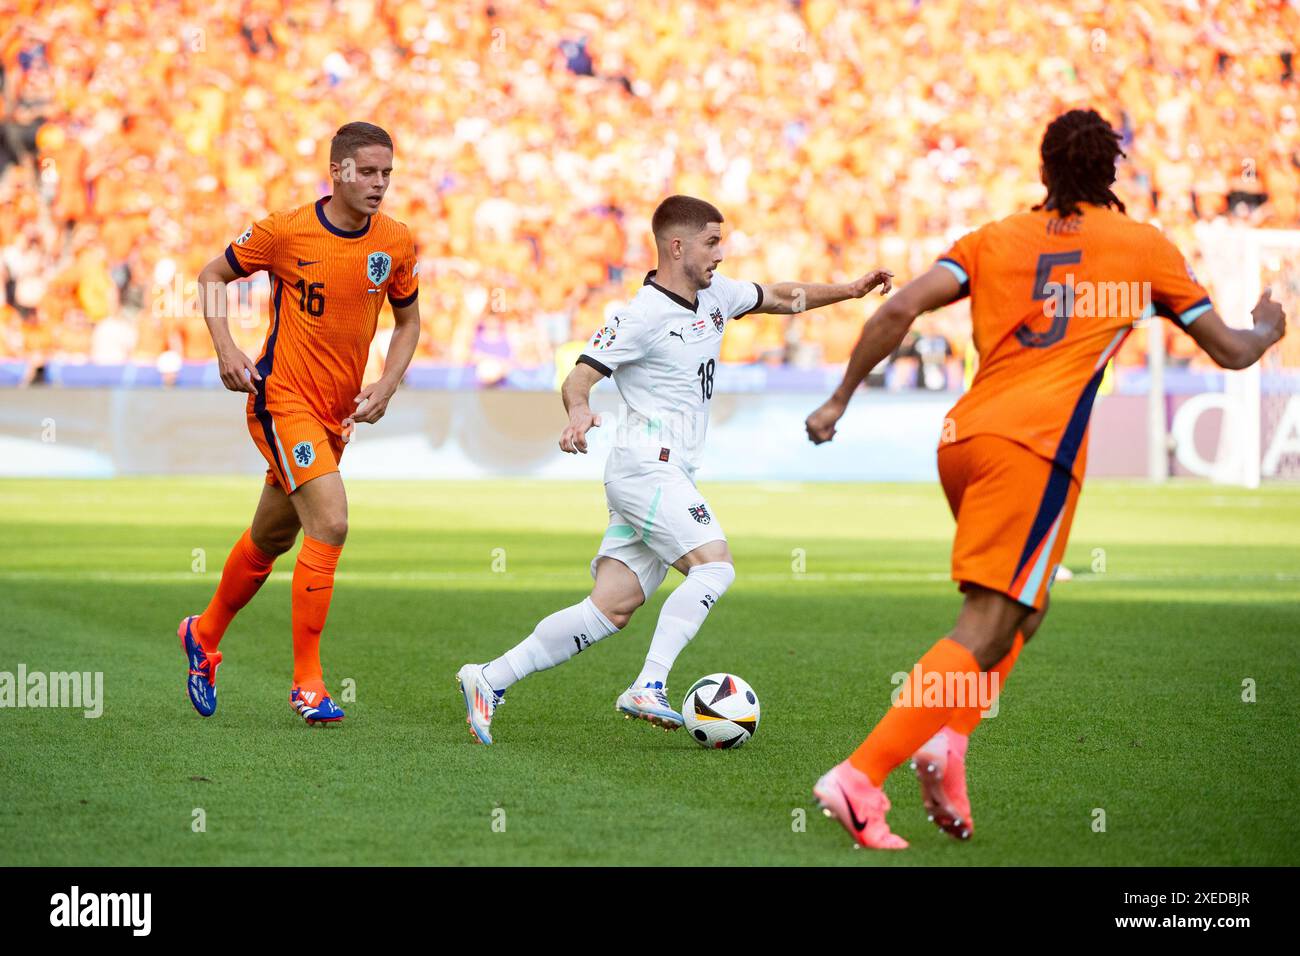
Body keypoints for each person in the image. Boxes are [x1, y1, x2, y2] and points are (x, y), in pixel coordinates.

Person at [804, 109, 1288, 849]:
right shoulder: (1141, 247)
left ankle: (948, 743)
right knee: (986, 623)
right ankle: (860, 776)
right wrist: (1268, 324)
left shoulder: (993, 239)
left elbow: (899, 306)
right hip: (1032, 449)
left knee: (1026, 609)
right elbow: (1229, 352)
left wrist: (839, 397)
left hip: (963, 440)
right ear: (1112, 172)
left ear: (1044, 170)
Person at [455, 194, 892, 744]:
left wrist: (848, 291)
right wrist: (580, 411)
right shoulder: (639, 316)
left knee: (613, 606)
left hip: (664, 473)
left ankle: (489, 679)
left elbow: (780, 295)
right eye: (712, 243)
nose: (721, 255)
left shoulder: (718, 296)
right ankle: (649, 684)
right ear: (676, 246)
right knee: (715, 567)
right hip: (645, 468)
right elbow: (580, 375)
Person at [180, 122, 421, 726]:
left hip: (336, 415)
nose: (379, 183)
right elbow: (211, 276)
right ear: (337, 170)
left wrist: (386, 385)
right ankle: (308, 684)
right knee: (332, 520)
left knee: (272, 538)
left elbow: (408, 321)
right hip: (281, 399)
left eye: (386, 173)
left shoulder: (396, 241)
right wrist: (225, 348)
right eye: (367, 172)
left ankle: (203, 636)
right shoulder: (285, 232)